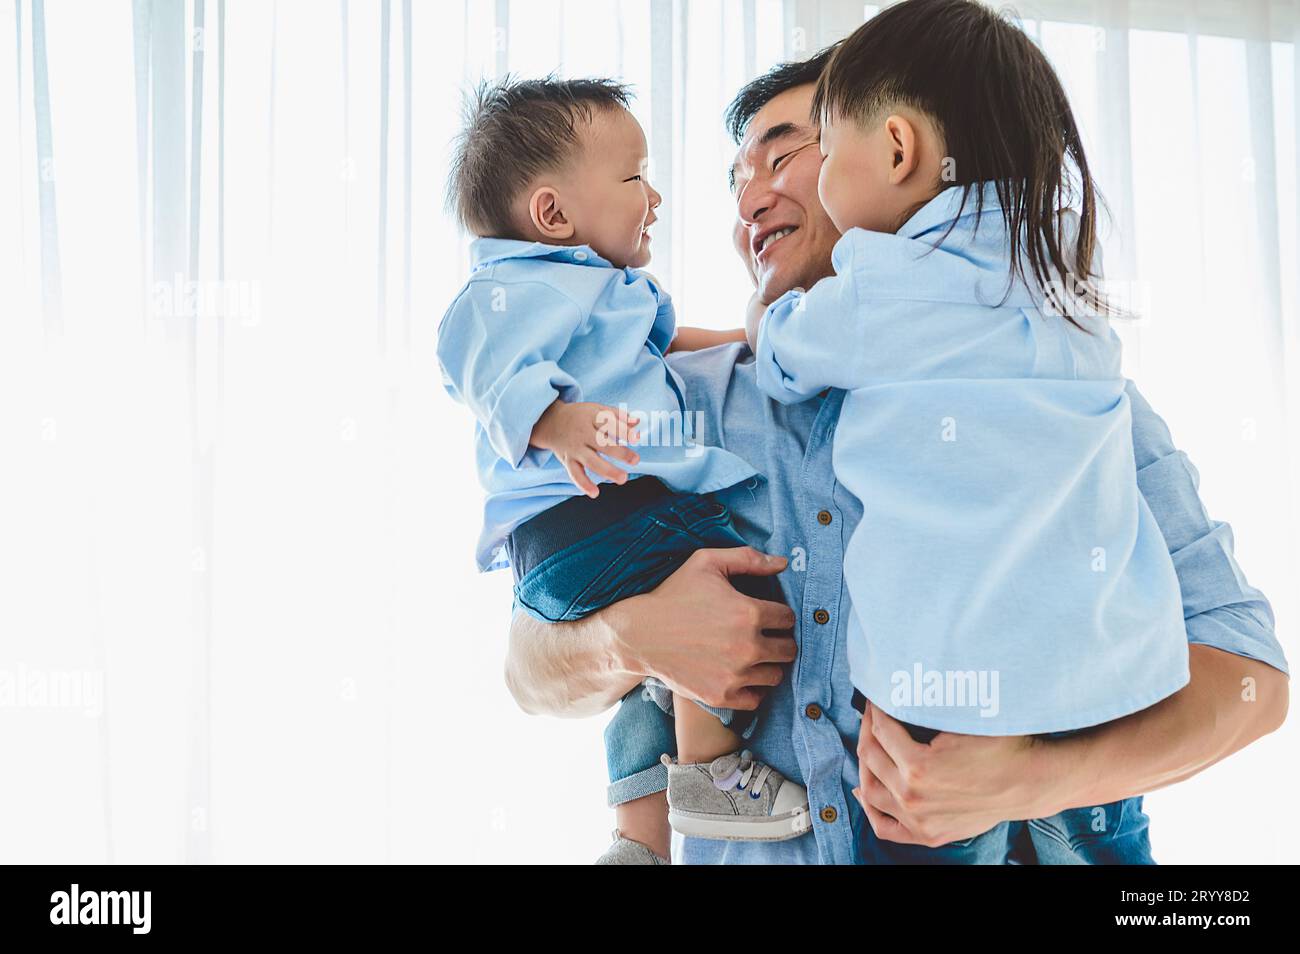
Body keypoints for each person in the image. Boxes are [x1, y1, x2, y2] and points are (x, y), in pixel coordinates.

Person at [502, 39, 1290, 864]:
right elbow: (529, 664)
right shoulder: (669, 403)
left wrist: (1027, 780)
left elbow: (1251, 679)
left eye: (788, 155)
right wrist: (633, 638)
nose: (750, 201)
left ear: (896, 156)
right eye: (738, 181)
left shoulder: (1062, 401)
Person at [438, 77, 810, 866]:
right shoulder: (509, 290)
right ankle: (710, 772)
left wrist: (755, 342)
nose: (658, 196)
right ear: (553, 213)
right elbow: (472, 362)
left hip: (598, 526)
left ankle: (638, 841)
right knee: (725, 582)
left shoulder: (611, 294)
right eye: (635, 176)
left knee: (657, 684)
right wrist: (552, 421)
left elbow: (670, 348)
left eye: (784, 156)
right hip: (583, 520)